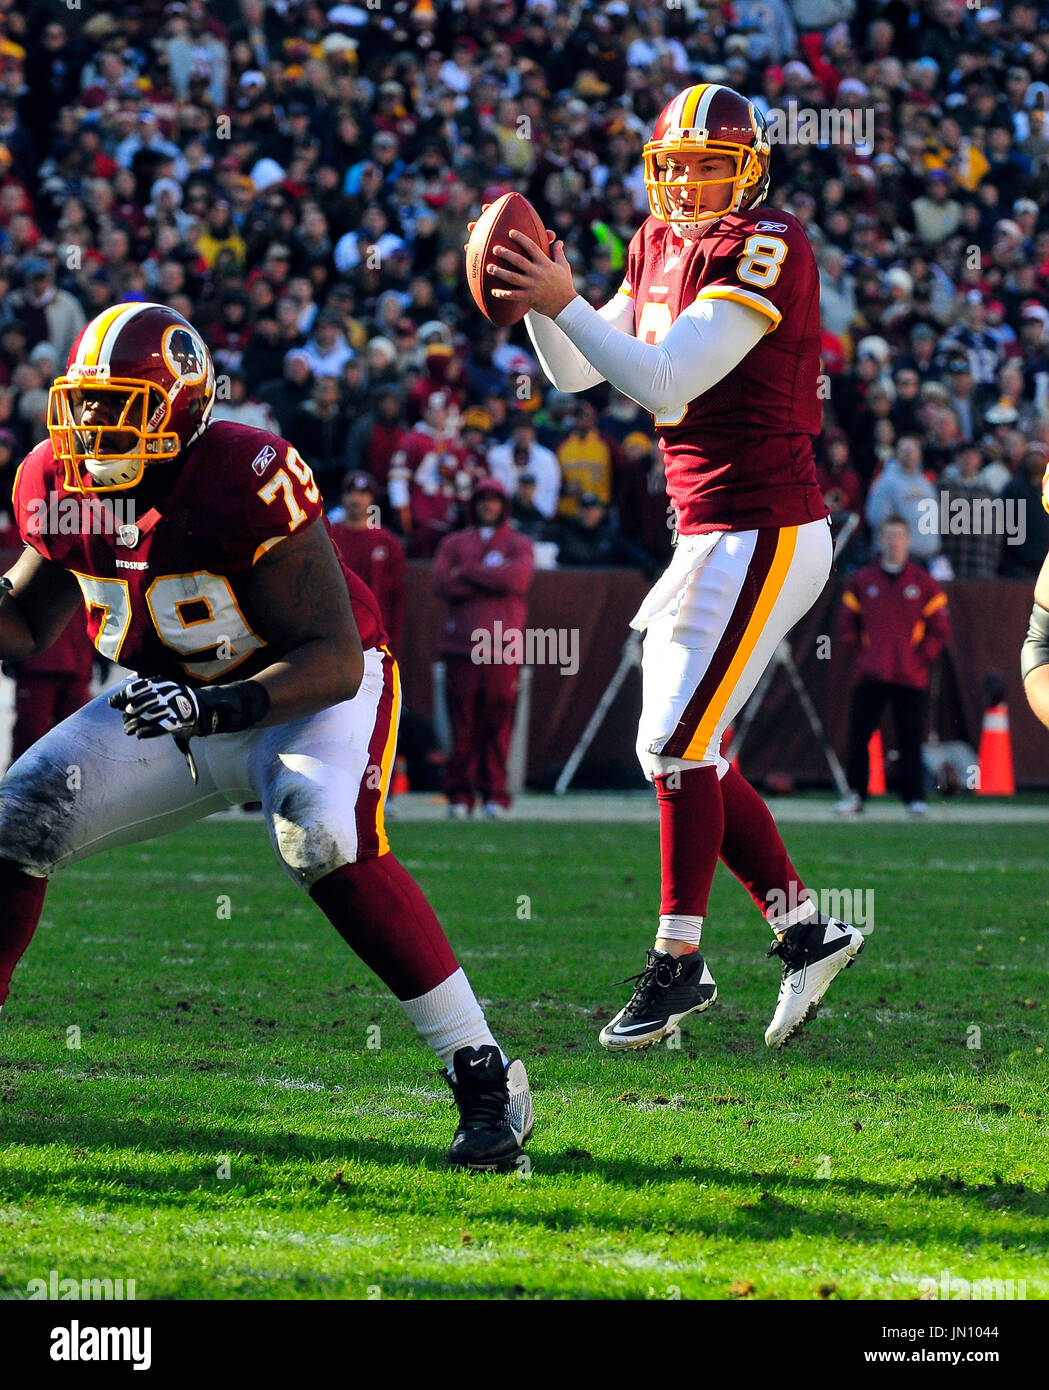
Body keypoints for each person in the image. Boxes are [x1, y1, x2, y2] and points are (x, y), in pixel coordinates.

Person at [0, 303, 532, 1171]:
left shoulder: (244, 473)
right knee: (16, 820)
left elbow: (333, 656)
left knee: (317, 831)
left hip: (307, 694)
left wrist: (218, 709)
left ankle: (482, 1073)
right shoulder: (54, 484)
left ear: (180, 406)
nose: (93, 429)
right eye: (84, 406)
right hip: (169, 700)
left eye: (121, 407)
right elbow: (24, 623)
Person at [481, 82, 864, 1050]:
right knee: (675, 747)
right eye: (676, 165)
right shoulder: (655, 243)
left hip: (766, 525)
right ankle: (806, 930)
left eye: (708, 165)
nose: (690, 183)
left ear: (748, 170)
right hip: (706, 533)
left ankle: (679, 959)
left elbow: (664, 377)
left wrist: (566, 299)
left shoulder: (765, 241)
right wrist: (540, 299)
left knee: (678, 737)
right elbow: (575, 371)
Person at [431, 479, 533, 820]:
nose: (487, 506)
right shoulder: (454, 542)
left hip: (502, 647)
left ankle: (494, 794)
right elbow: (441, 583)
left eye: (494, 500)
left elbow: (516, 580)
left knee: (498, 722)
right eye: (482, 500)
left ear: (503, 505)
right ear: (472, 504)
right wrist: (491, 574)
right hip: (461, 645)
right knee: (462, 724)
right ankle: (460, 794)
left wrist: (470, 571)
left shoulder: (518, 543)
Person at [835, 517, 950, 817]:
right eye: (888, 536)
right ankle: (856, 794)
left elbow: (939, 628)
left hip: (909, 675)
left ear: (908, 540)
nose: (893, 542)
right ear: (880, 540)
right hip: (870, 674)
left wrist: (918, 658)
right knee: (859, 737)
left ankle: (914, 797)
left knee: (911, 738)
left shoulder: (923, 583)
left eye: (899, 536)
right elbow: (847, 625)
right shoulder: (863, 580)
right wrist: (862, 656)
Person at [329, 471, 407, 656]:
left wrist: (393, 640)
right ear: (342, 496)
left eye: (363, 493)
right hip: (335, 634)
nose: (356, 499)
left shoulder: (387, 543)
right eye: (350, 493)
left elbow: (398, 597)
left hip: (375, 637)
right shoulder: (329, 538)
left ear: (372, 498)